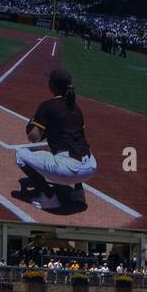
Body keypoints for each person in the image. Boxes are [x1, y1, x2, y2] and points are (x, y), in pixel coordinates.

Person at [14, 68, 97, 214]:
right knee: (71, 145)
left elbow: (33, 137)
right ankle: (78, 192)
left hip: (67, 170)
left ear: (53, 86)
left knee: (20, 154)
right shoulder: (76, 109)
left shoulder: (48, 106)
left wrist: (34, 121)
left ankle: (48, 197)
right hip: (90, 167)